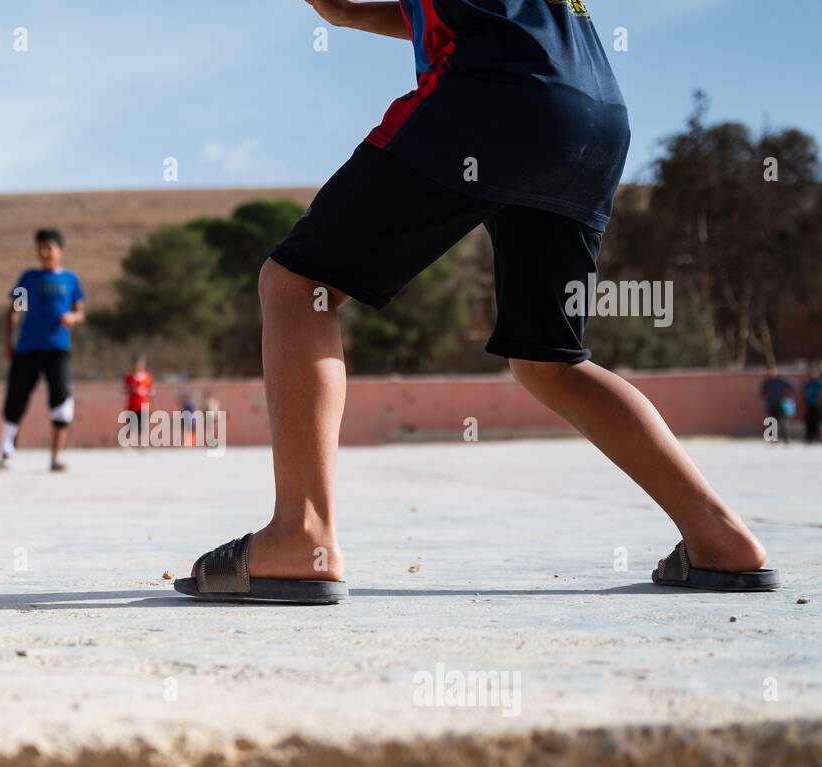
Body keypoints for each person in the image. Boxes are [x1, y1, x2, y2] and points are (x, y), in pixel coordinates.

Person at [174, 0, 777, 602]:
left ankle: (301, 536)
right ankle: (720, 539)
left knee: (299, 285)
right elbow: (360, 11)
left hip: (495, 96)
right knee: (551, 360)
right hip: (591, 115)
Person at [0, 228, 85, 472]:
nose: (44, 253)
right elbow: (14, 310)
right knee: (16, 399)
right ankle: (6, 452)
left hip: (57, 347)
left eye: (49, 248)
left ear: (60, 250)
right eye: (40, 249)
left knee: (61, 400)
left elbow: (80, 311)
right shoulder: (29, 279)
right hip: (27, 347)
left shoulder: (70, 280)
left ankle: (56, 457)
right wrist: (8, 341)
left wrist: (72, 318)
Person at [760, 363, 796, 445]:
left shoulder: (782, 379)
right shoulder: (767, 381)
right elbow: (762, 392)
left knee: (783, 422)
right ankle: (774, 440)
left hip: (782, 405)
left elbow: (793, 387)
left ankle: (786, 440)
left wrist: (787, 395)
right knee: (772, 422)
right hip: (771, 405)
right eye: (770, 371)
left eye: (773, 371)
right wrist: (766, 397)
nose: (772, 372)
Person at [123, 354, 153, 441]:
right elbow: (124, 390)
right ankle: (128, 444)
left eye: (141, 363)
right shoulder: (129, 377)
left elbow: (151, 391)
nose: (139, 365)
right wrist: (133, 389)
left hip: (144, 406)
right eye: (137, 363)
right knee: (130, 427)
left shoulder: (148, 377)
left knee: (143, 427)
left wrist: (145, 391)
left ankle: (143, 444)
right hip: (132, 406)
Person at [804, 362, 821, 445]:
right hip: (809, 405)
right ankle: (809, 437)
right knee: (808, 421)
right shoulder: (808, 383)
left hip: (817, 405)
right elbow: (805, 392)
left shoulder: (819, 383)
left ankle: (816, 437)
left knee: (816, 421)